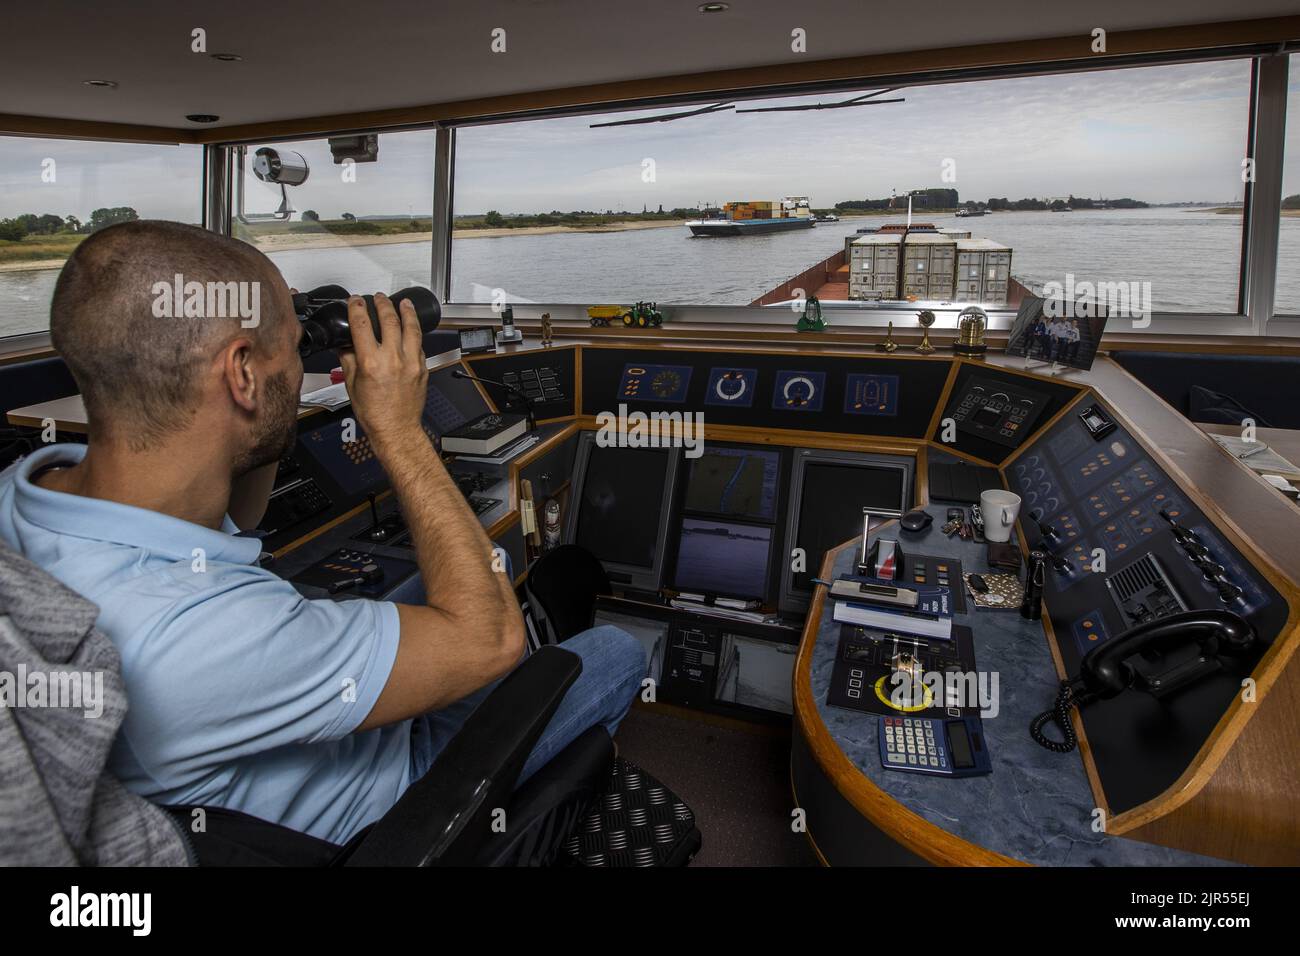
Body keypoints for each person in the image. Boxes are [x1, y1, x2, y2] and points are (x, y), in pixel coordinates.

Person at [0, 221, 645, 845]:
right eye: (292, 335)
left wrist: (267, 395)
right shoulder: (204, 636)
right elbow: (492, 641)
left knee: (426, 578)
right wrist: (397, 431)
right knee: (612, 653)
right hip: (392, 799)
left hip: (263, 723)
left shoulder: (25, 492)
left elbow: (244, 519)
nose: (301, 354)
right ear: (241, 374)